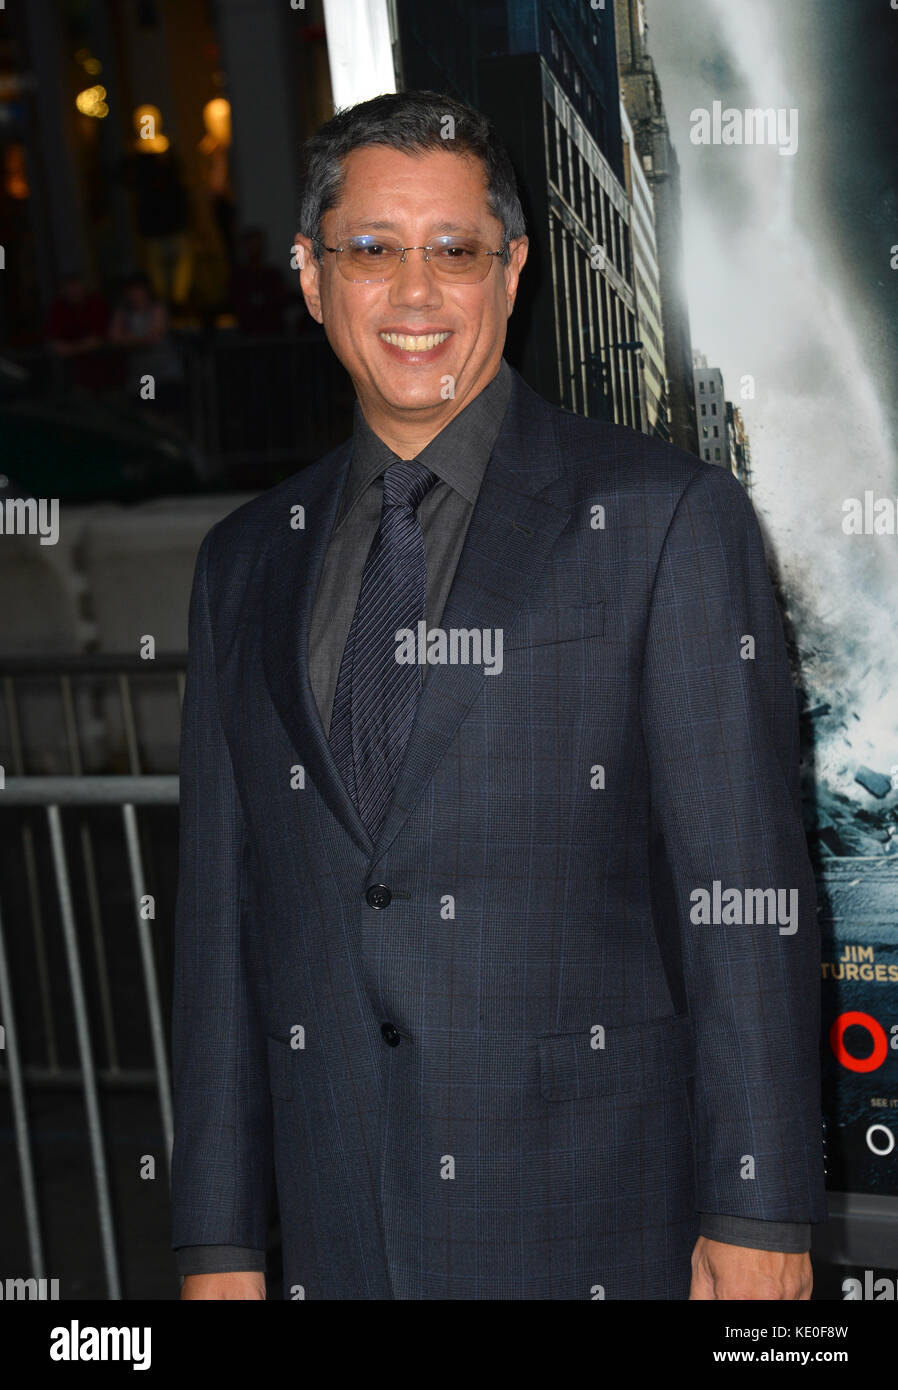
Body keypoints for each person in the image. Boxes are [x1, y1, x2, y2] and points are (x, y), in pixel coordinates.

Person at [171, 91, 826, 1301]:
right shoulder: (245, 561)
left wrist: (760, 1208)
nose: (414, 295)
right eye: (371, 250)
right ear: (313, 278)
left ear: (511, 271)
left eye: (453, 251)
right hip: (339, 1235)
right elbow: (219, 931)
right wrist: (216, 1243)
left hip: (602, 1225)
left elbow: (741, 899)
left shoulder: (664, 521)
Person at [108, 272, 183, 410]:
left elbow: (153, 337)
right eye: (131, 291)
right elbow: (114, 338)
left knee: (165, 411)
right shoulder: (124, 311)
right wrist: (138, 339)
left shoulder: (157, 308)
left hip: (163, 374)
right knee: (146, 412)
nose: (134, 294)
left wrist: (128, 339)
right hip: (142, 376)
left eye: (138, 290)